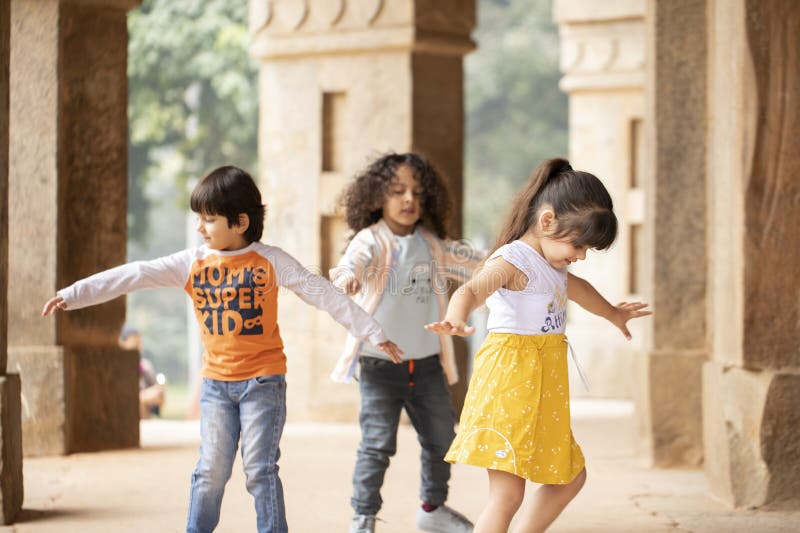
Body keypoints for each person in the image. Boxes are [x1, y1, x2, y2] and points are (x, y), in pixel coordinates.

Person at [42, 165, 402, 533]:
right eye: (199, 218)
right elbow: (136, 273)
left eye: (209, 219)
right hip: (217, 386)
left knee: (260, 469)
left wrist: (372, 331)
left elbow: (322, 294)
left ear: (240, 221)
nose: (200, 227)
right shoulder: (192, 263)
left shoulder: (271, 261)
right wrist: (72, 295)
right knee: (210, 470)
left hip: (263, 383)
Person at [425, 158, 651, 533]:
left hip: (543, 389)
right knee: (507, 495)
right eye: (578, 245)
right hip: (509, 384)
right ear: (546, 221)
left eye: (586, 251)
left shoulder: (553, 267)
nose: (580, 256)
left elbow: (578, 291)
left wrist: (612, 313)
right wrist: (457, 317)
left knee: (569, 478)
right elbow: (472, 289)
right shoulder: (513, 260)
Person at [330, 153, 482, 533]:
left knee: (443, 439)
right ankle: (363, 517)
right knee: (378, 445)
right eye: (398, 191)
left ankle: (432, 510)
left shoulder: (432, 244)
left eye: (417, 192)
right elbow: (353, 262)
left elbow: (478, 261)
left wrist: (515, 261)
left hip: (428, 365)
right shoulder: (372, 241)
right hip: (380, 366)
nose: (409, 199)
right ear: (377, 197)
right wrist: (348, 277)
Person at [118, 324, 165, 419]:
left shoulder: (146, 368)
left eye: (140, 344)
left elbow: (156, 405)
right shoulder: (117, 369)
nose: (138, 350)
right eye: (134, 345)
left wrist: (159, 397)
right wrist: (143, 397)